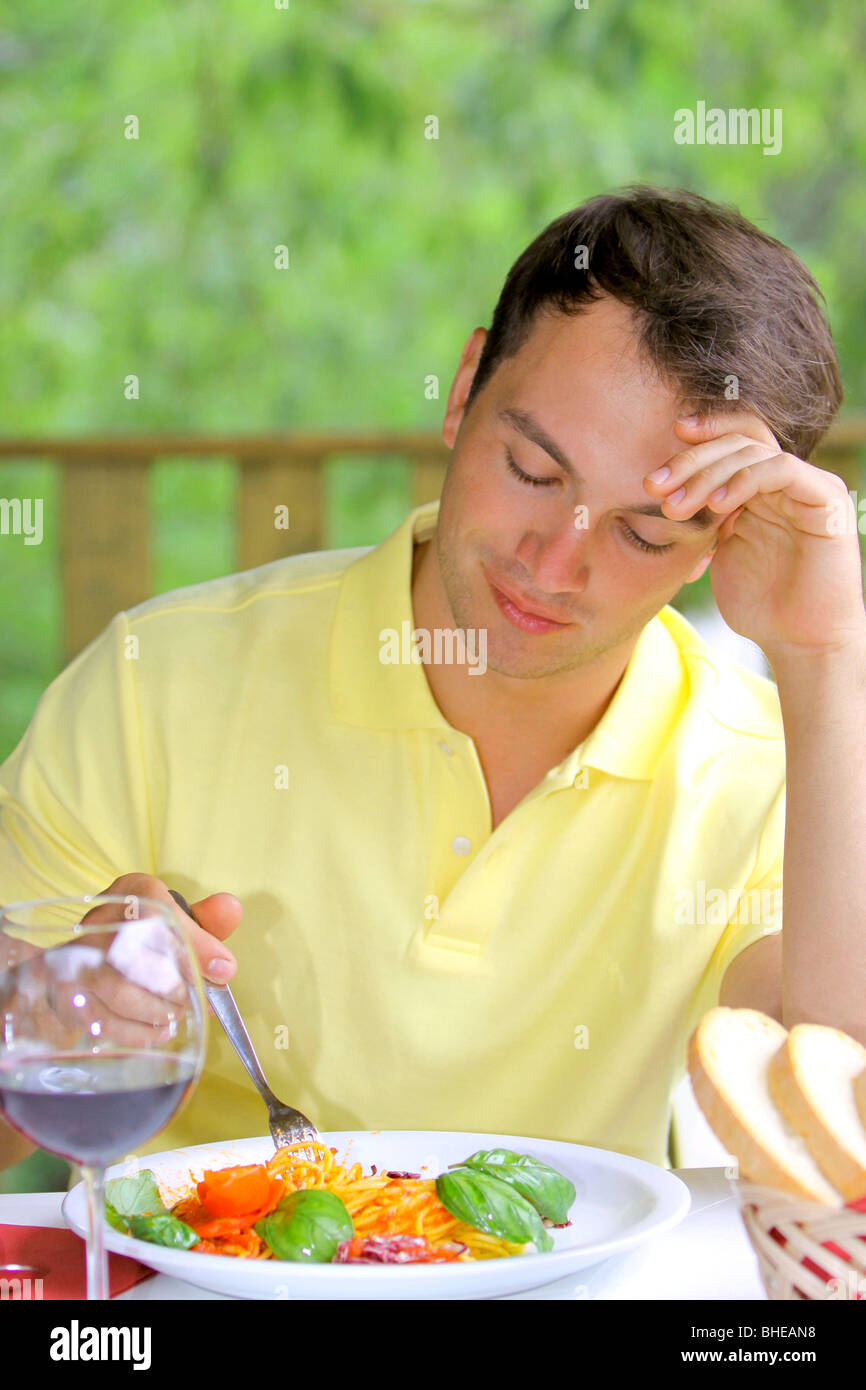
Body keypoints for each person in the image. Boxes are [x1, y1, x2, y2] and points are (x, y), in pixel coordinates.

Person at [2, 184, 863, 1177]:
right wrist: (62, 1013)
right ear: (463, 390)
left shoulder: (759, 767)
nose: (552, 561)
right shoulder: (152, 684)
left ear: (719, 542)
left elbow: (838, 1128)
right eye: (533, 471)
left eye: (642, 531)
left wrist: (825, 660)